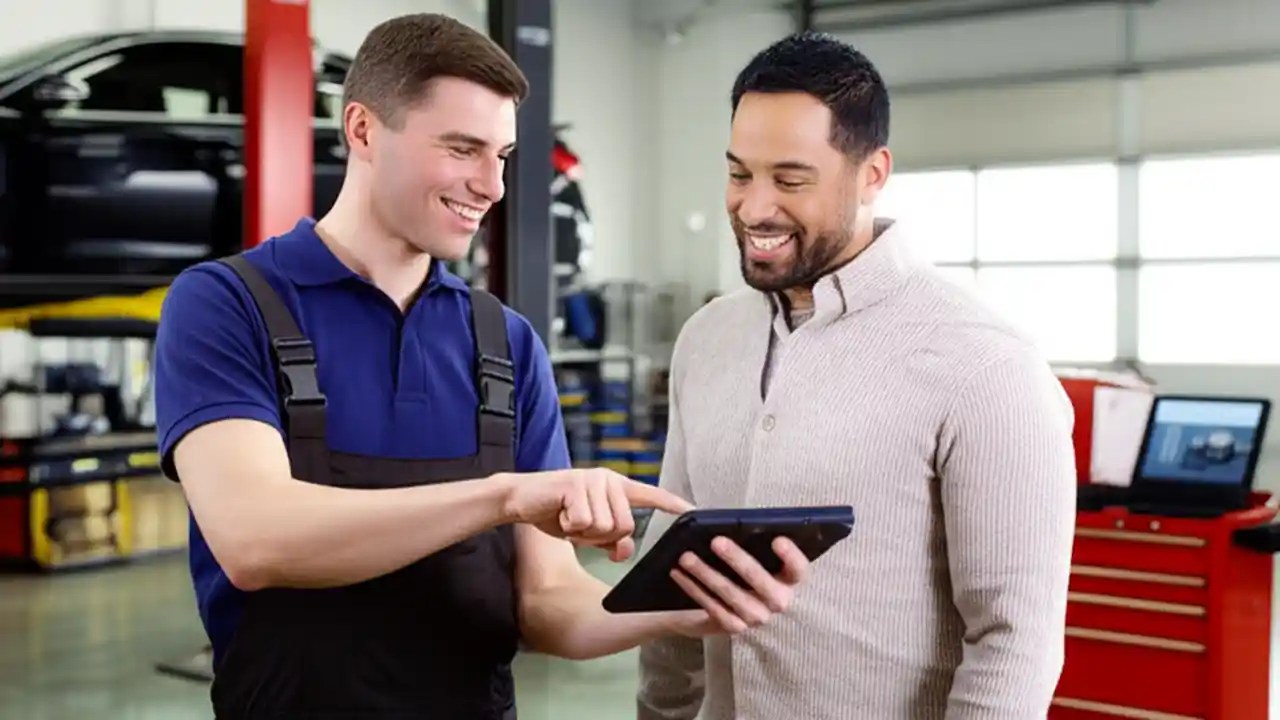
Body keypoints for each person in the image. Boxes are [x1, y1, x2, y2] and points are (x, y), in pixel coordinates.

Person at [152, 14, 810, 719]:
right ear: (363, 130)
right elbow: (256, 538)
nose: (492, 185)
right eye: (463, 149)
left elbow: (547, 600)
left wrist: (677, 606)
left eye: (502, 155)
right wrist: (504, 497)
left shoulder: (506, 344)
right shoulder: (227, 305)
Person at [636, 32, 1077, 720]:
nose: (755, 208)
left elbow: (1013, 642)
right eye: (740, 174)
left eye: (791, 180)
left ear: (872, 174)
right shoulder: (706, 339)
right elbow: (675, 570)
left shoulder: (986, 365)